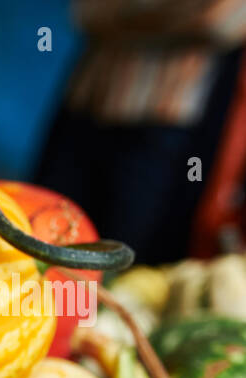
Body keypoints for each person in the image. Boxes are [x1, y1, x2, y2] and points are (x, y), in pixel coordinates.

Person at [36, 0, 246, 263]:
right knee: (40, 230)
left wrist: (122, 15)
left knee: (122, 258)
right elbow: (83, 12)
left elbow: (220, 21)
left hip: (162, 124)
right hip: (85, 105)